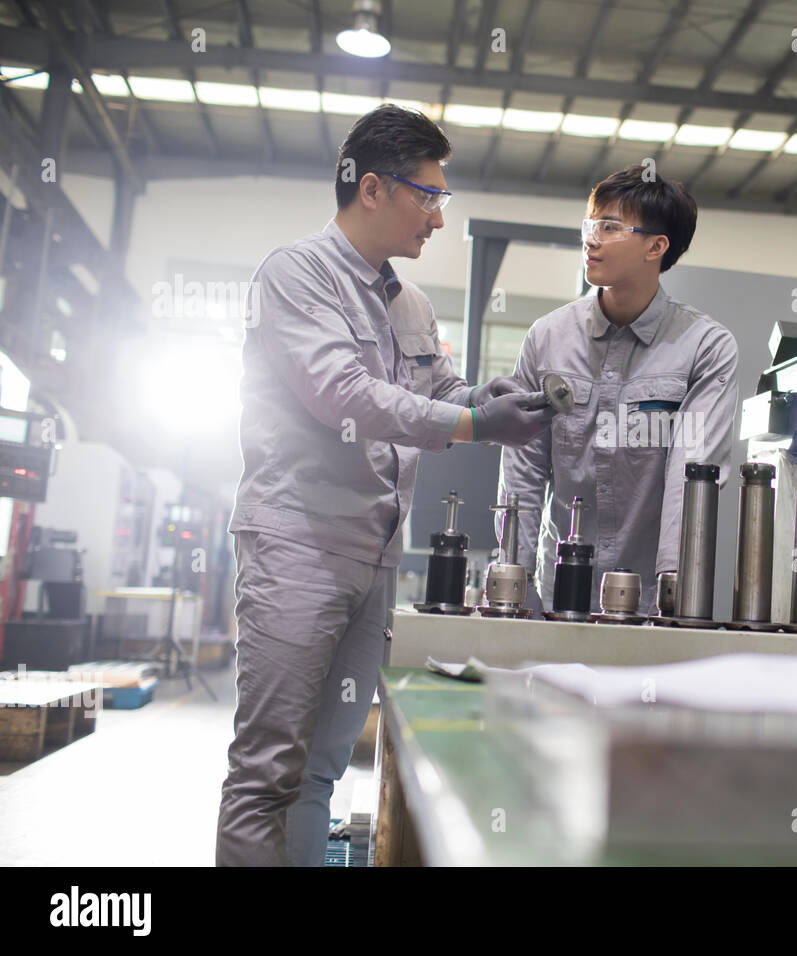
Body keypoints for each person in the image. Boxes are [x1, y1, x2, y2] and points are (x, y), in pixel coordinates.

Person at [217, 105, 549, 867]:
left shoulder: (411, 303)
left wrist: (483, 399)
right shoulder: (294, 274)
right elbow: (345, 395)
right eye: (427, 195)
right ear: (373, 189)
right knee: (268, 771)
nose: (437, 217)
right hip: (297, 547)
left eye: (442, 198)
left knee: (322, 772)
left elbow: (438, 388)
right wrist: (474, 426)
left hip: (374, 556)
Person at [499, 165, 739, 616]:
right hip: (557, 592)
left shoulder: (704, 347)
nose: (591, 239)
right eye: (591, 225)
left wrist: (673, 590)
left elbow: (692, 477)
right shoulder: (547, 338)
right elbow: (523, 471)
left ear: (656, 246)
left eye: (610, 227)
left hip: (650, 599)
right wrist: (514, 577)